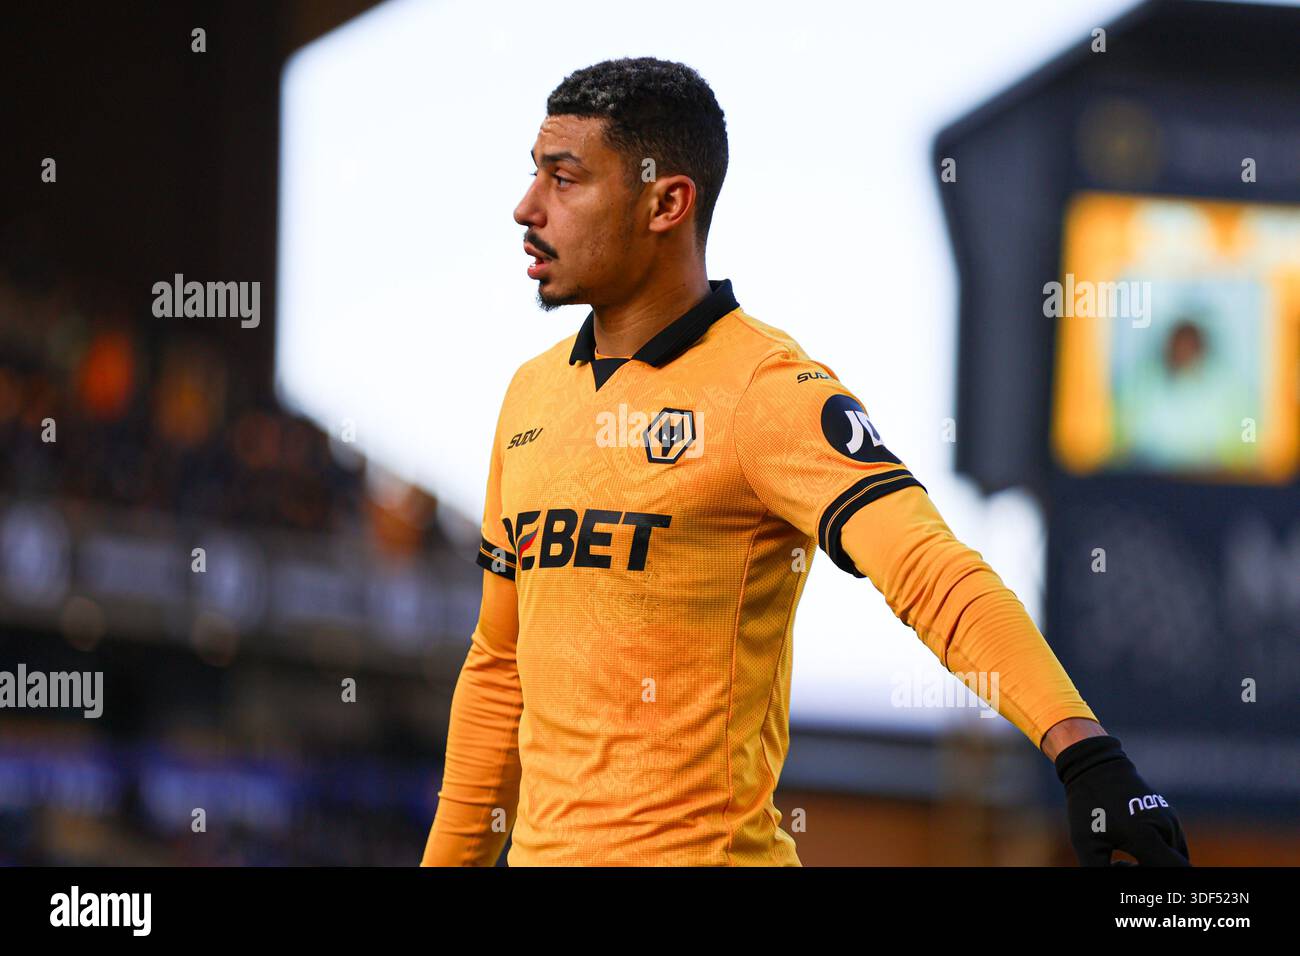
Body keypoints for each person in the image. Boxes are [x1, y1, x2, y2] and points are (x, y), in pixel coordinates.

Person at [421, 57, 1189, 867]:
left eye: (564, 179)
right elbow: (500, 666)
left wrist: (1085, 753)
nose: (526, 207)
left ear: (667, 202)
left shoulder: (767, 391)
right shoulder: (529, 398)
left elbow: (928, 569)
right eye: (533, 175)